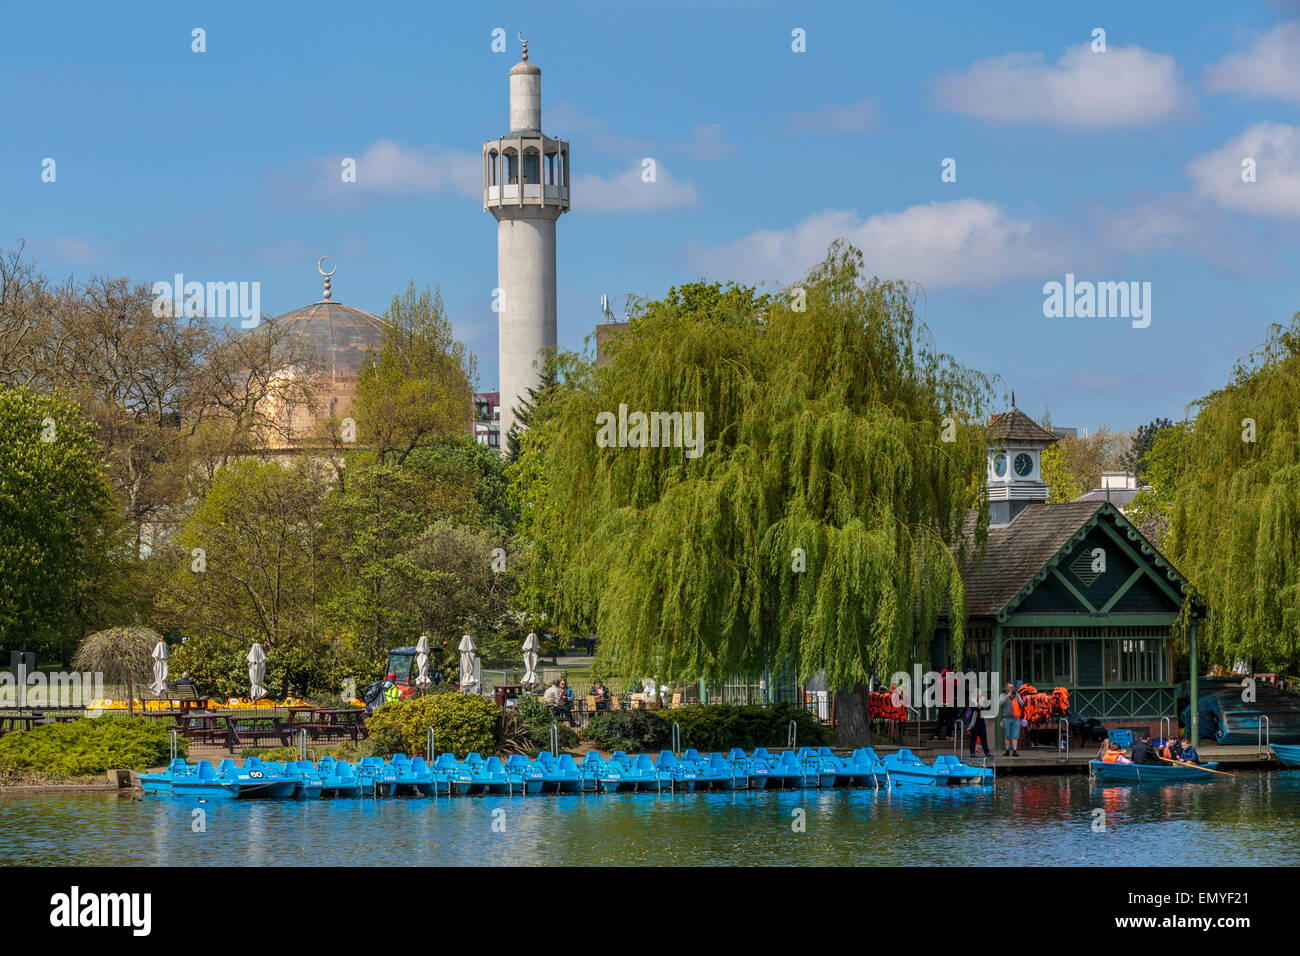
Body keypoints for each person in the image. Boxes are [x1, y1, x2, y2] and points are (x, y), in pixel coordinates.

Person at [998, 682, 1024, 757]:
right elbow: (1000, 704)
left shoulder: (1016, 694)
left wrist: (1017, 698)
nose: (1011, 689)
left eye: (1012, 687)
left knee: (1015, 735)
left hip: (1015, 718)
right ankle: (1007, 751)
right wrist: (1006, 697)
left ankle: (1015, 751)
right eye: (1009, 687)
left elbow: (1022, 703)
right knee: (1007, 735)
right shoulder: (1002, 695)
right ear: (1006, 688)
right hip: (1006, 718)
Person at [966, 691, 992, 758]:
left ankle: (987, 752)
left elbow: (983, 709)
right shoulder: (972, 702)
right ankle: (972, 753)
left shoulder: (980, 701)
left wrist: (983, 702)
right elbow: (976, 709)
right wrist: (980, 702)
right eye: (979, 694)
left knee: (984, 738)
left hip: (981, 722)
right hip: (974, 722)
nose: (980, 696)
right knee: (973, 738)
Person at [933, 668, 957, 741]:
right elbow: (958, 682)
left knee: (940, 720)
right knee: (949, 720)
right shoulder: (951, 681)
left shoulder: (940, 681)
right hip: (950, 704)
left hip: (942, 704)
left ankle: (936, 735)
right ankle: (948, 735)